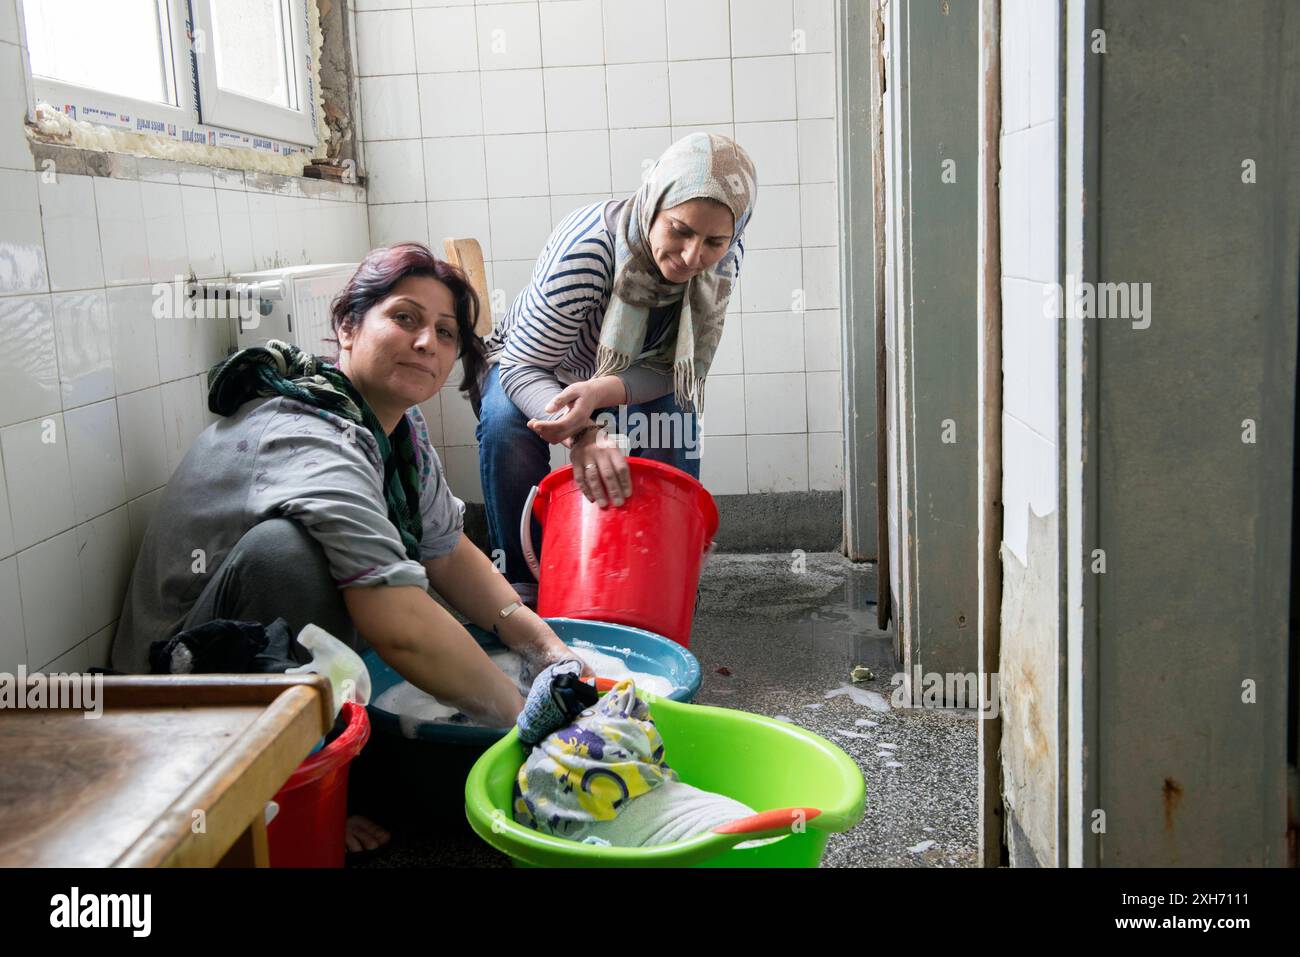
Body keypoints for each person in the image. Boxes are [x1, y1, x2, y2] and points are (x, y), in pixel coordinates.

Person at [113, 243, 584, 850]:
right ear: (347, 325)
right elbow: (401, 627)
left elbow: (446, 551)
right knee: (293, 556)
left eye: (445, 332)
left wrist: (549, 650)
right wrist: (532, 723)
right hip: (171, 691)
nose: (427, 343)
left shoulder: (394, 425)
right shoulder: (309, 432)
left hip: (261, 656)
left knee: (425, 599)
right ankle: (288, 786)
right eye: (406, 318)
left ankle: (342, 753)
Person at [477, 132, 758, 604]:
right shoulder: (590, 250)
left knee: (674, 419)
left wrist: (601, 392)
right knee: (507, 425)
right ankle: (523, 587)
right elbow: (524, 365)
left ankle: (651, 574)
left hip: (626, 374)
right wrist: (584, 432)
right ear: (653, 204)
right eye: (680, 230)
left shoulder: (723, 259)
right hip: (537, 365)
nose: (693, 257)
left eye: (713, 240)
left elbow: (676, 368)